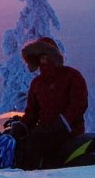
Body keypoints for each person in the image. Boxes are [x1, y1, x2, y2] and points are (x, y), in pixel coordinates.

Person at [16, 37, 88, 170]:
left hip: (69, 132)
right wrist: (21, 126)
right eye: (39, 56)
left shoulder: (72, 76)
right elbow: (32, 112)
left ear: (53, 56)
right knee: (19, 144)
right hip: (44, 130)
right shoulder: (36, 83)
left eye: (45, 55)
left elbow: (78, 105)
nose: (42, 59)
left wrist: (62, 124)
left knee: (34, 143)